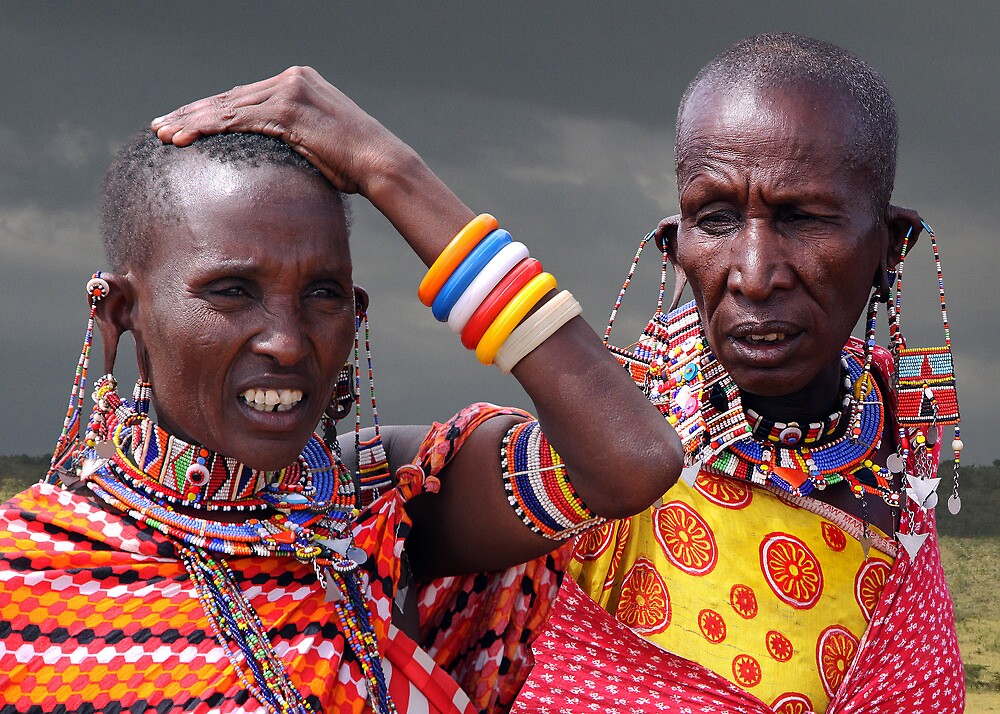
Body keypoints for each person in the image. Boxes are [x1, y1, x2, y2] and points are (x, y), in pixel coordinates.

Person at [0, 76, 682, 711]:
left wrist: (386, 167)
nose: (289, 342)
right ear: (122, 312)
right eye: (233, 291)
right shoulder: (22, 571)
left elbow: (630, 459)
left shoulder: (384, 506)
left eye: (321, 295)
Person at [513, 34, 966, 713]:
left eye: (803, 218)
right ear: (676, 246)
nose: (754, 275)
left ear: (889, 248)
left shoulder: (901, 466)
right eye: (717, 219)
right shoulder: (591, 455)